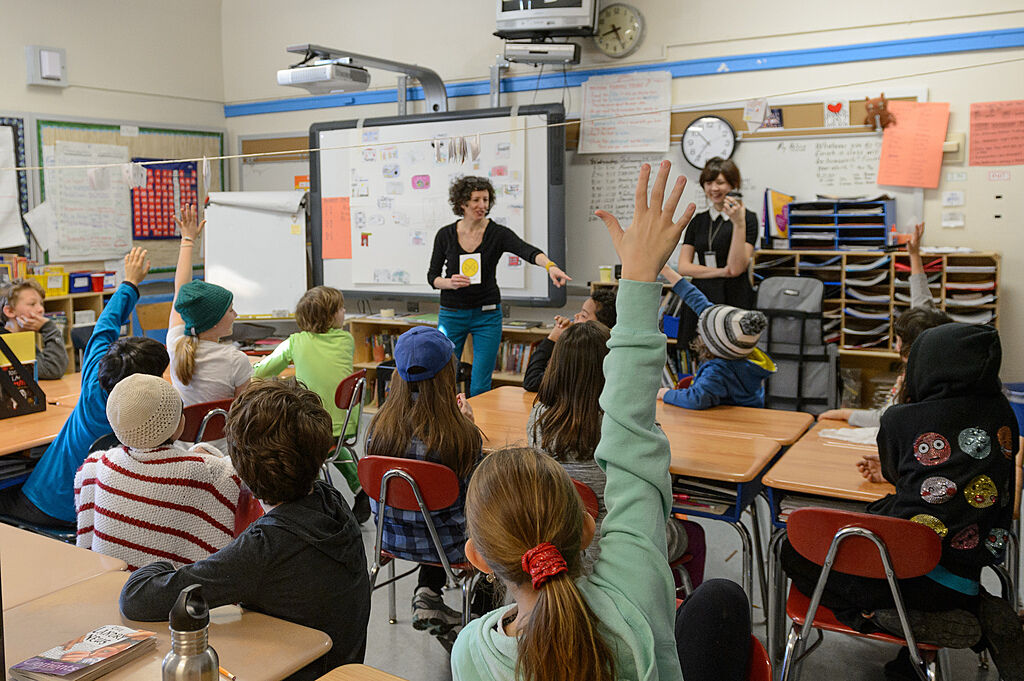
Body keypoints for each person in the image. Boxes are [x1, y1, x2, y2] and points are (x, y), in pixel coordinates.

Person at [451, 161, 752, 681]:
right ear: (590, 525)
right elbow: (632, 438)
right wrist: (640, 278)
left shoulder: (470, 652)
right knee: (720, 598)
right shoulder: (633, 586)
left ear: (476, 556)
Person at [786, 323, 1023, 681]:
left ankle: (869, 616)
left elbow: (899, 474)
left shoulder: (901, 419)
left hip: (904, 575)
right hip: (965, 573)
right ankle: (973, 607)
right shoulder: (1004, 415)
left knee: (793, 550)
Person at [119, 379, 371, 681]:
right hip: (339, 666)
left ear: (239, 466)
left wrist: (165, 562)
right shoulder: (333, 502)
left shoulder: (265, 548)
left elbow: (138, 598)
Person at [0, 248, 167, 528]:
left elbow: (105, 326)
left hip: (49, 506)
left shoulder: (93, 388)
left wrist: (130, 282)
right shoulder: (152, 414)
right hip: (101, 513)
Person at [527, 319, 703, 578]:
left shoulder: (539, 418)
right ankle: (673, 607)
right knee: (695, 534)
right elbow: (658, 465)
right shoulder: (626, 422)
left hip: (557, 544)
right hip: (622, 544)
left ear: (556, 365)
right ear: (613, 366)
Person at [364, 326, 484, 650]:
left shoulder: (378, 430)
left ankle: (428, 593)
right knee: (481, 522)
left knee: (429, 516)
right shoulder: (461, 436)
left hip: (391, 541)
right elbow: (475, 501)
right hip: (452, 548)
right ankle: (477, 628)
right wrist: (469, 425)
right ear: (449, 374)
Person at [74, 374, 240, 570]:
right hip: (164, 593)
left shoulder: (97, 465)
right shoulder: (204, 471)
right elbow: (238, 472)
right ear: (179, 424)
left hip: (111, 583)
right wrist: (207, 451)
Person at [428, 175, 571, 396]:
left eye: (485, 200)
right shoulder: (445, 235)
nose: (482, 205)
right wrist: (450, 283)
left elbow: (528, 251)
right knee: (444, 377)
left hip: (487, 315)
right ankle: (449, 427)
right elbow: (432, 277)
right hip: (452, 314)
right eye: (476, 200)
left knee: (480, 383)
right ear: (462, 203)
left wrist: (550, 266)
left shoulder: (497, 233)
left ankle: (477, 428)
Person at [253, 285, 369, 523]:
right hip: (345, 422)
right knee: (331, 446)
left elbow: (263, 370)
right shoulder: (346, 340)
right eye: (340, 308)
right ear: (330, 316)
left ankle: (309, 498)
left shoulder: (296, 342)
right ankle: (359, 488)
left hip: (313, 424)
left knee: (293, 438)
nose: (344, 311)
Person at [820, 223, 951, 426]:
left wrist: (846, 414)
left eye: (898, 341)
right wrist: (914, 255)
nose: (895, 346)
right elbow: (922, 302)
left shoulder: (917, 384)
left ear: (908, 350)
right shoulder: (940, 350)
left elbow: (885, 417)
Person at [166, 204, 251, 406]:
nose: (236, 314)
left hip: (183, 438)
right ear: (213, 322)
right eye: (230, 311)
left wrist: (187, 240)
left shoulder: (176, 344)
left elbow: (181, 289)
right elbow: (243, 414)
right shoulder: (235, 360)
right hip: (224, 439)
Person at [657, 266, 775, 410]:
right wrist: (665, 269)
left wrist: (666, 393)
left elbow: (696, 399)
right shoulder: (741, 351)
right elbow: (694, 297)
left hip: (729, 425)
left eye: (702, 331)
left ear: (713, 343)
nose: (698, 330)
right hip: (751, 419)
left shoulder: (718, 371)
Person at [673, 157, 758, 349]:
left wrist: (738, 222)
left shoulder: (748, 219)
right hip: (701, 293)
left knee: (731, 351)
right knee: (695, 350)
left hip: (734, 295)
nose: (714, 189)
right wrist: (721, 272)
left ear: (733, 185)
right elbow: (684, 266)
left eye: (720, 182)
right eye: (708, 183)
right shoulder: (698, 221)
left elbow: (736, 268)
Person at [522, 287, 616, 393]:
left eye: (583, 315)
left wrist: (552, 339)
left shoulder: (579, 355)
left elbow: (532, 382)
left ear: (600, 326)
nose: (576, 316)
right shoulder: (612, 353)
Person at [0, 278, 67, 379]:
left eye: (41, 303)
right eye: (32, 304)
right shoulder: (8, 342)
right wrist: (48, 328)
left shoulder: (23, 337)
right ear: (9, 311)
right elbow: (53, 369)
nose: (41, 309)